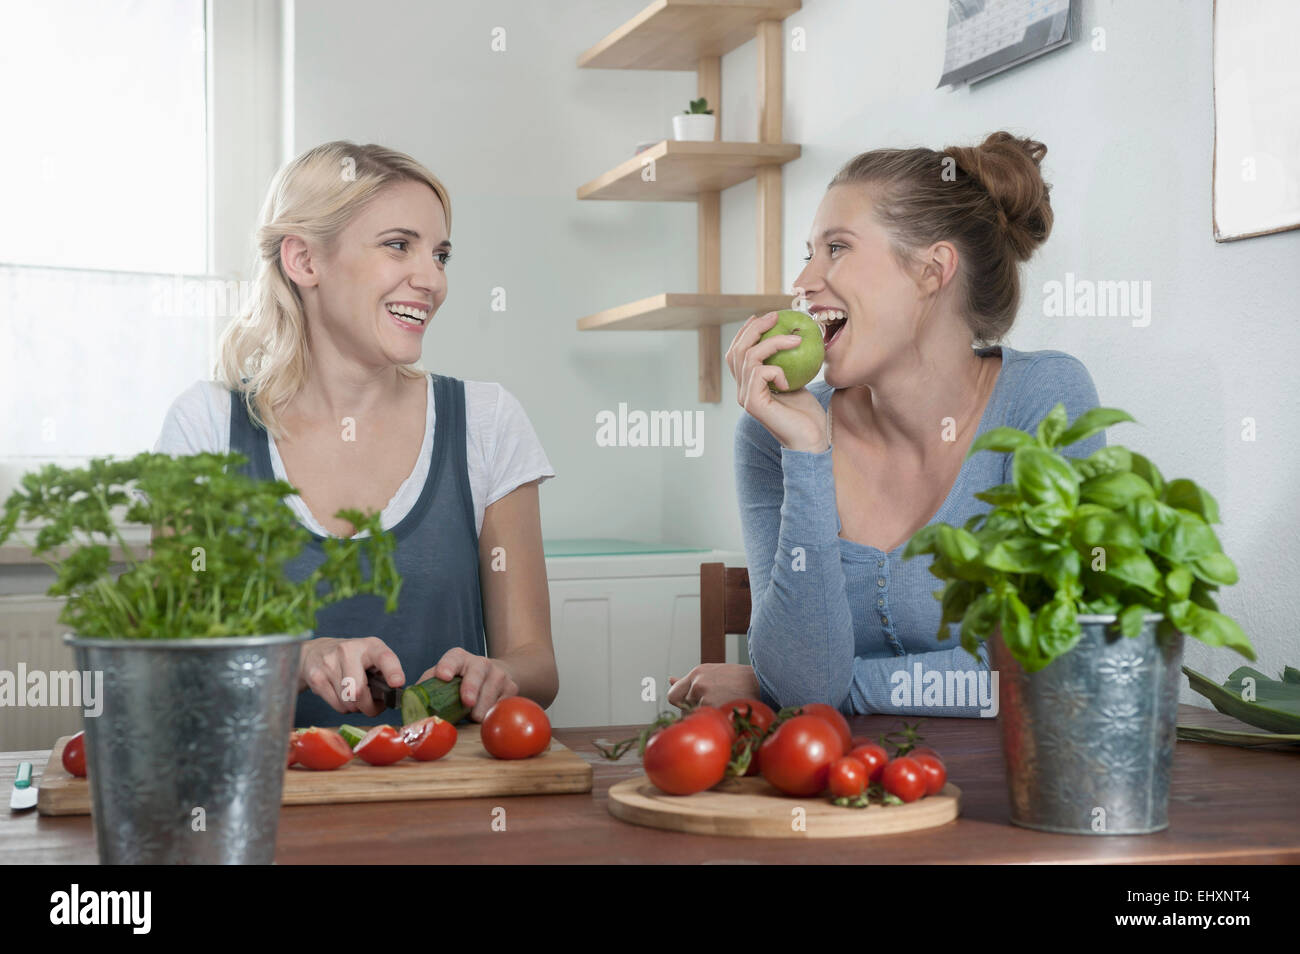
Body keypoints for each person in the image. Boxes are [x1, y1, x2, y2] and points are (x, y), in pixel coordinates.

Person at [668, 131, 1106, 717]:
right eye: (809, 252)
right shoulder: (774, 433)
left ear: (932, 270)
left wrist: (811, 688)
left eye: (837, 248)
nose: (803, 281)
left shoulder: (1045, 401)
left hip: (1006, 789)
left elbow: (1046, 668)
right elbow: (804, 682)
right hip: (840, 791)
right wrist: (806, 452)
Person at [153, 141, 558, 726]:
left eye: (441, 255)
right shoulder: (206, 428)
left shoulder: (488, 422)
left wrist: (502, 674)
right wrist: (294, 660)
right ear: (304, 261)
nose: (433, 281)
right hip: (264, 803)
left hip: (443, 799)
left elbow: (536, 665)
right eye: (399, 246)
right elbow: (173, 658)